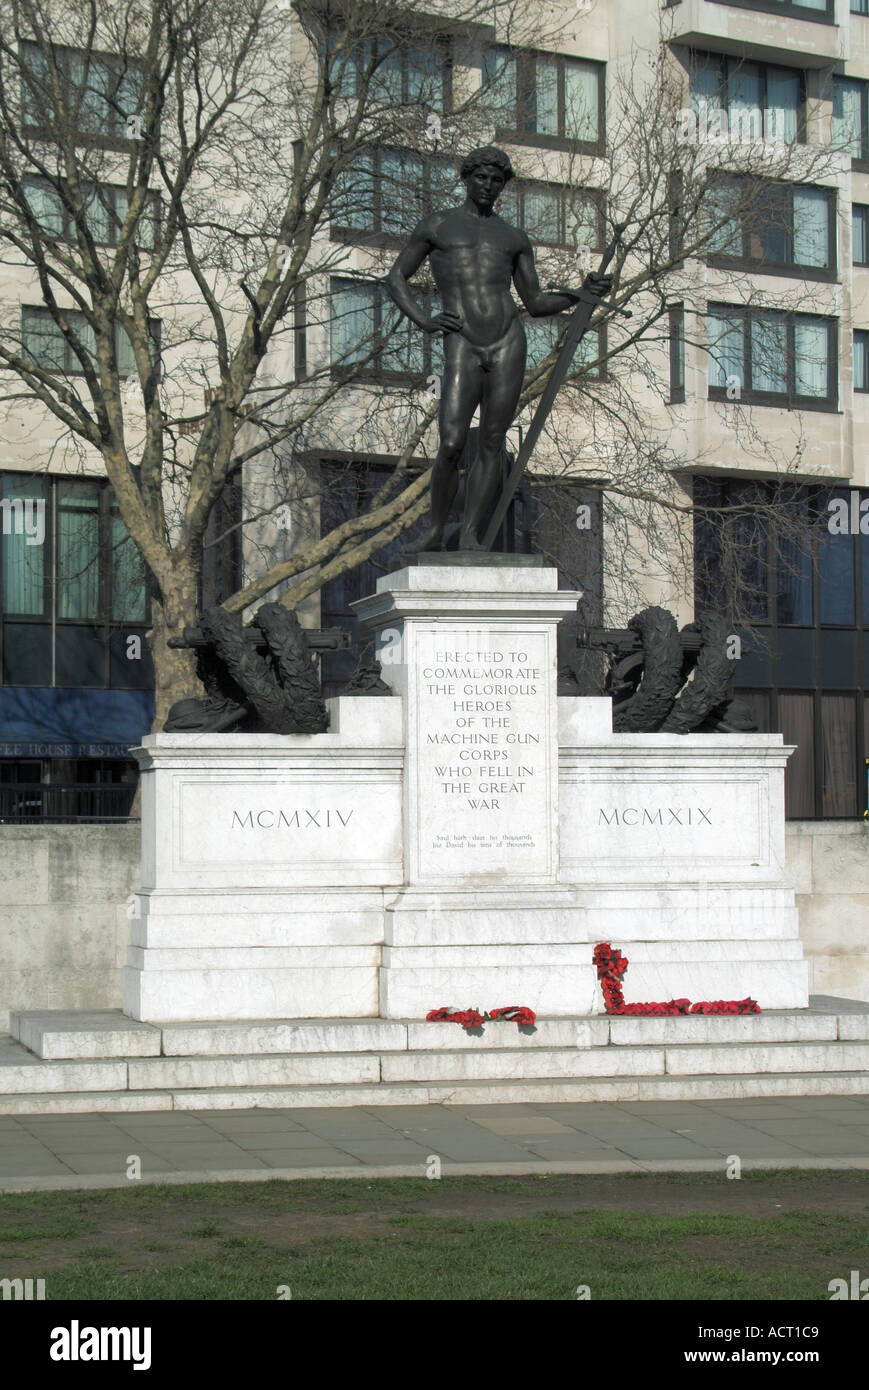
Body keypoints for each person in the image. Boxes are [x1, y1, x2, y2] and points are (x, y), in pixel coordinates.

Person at [384, 145, 612, 550]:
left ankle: (470, 533)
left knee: (492, 439)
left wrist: (579, 295)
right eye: (482, 178)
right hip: (463, 342)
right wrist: (424, 320)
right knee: (452, 442)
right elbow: (396, 277)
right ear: (466, 179)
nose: (489, 186)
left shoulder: (513, 237)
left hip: (507, 340)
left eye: (497, 180)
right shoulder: (437, 226)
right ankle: (437, 529)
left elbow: (537, 302)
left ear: (504, 185)